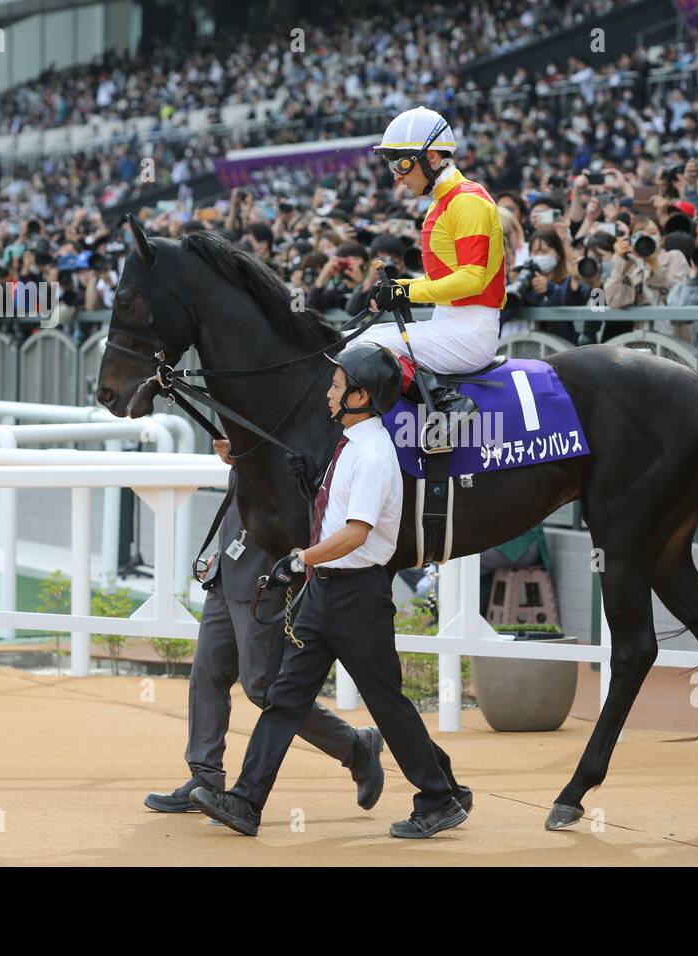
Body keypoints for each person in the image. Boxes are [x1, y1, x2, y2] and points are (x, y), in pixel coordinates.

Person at [191, 343, 472, 839]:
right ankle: (245, 800)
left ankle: (438, 797)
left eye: (338, 386)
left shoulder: (373, 455)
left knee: (385, 702)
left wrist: (301, 558)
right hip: (326, 592)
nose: (329, 393)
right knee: (285, 697)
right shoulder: (348, 445)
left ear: (361, 395)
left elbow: (356, 533)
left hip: (357, 596)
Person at [144, 438, 383, 815]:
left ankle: (354, 746)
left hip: (266, 576)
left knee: (263, 687)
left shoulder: (310, 428)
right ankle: (205, 775)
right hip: (226, 569)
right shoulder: (256, 415)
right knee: (207, 673)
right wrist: (233, 451)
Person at [348, 106, 505, 452]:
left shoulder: (467, 202)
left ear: (432, 157)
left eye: (402, 163)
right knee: (350, 338)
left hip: (470, 332)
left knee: (366, 346)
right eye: (393, 165)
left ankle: (448, 404)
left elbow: (473, 278)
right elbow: (450, 277)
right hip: (451, 323)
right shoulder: (441, 202)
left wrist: (407, 289)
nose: (397, 177)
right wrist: (399, 289)